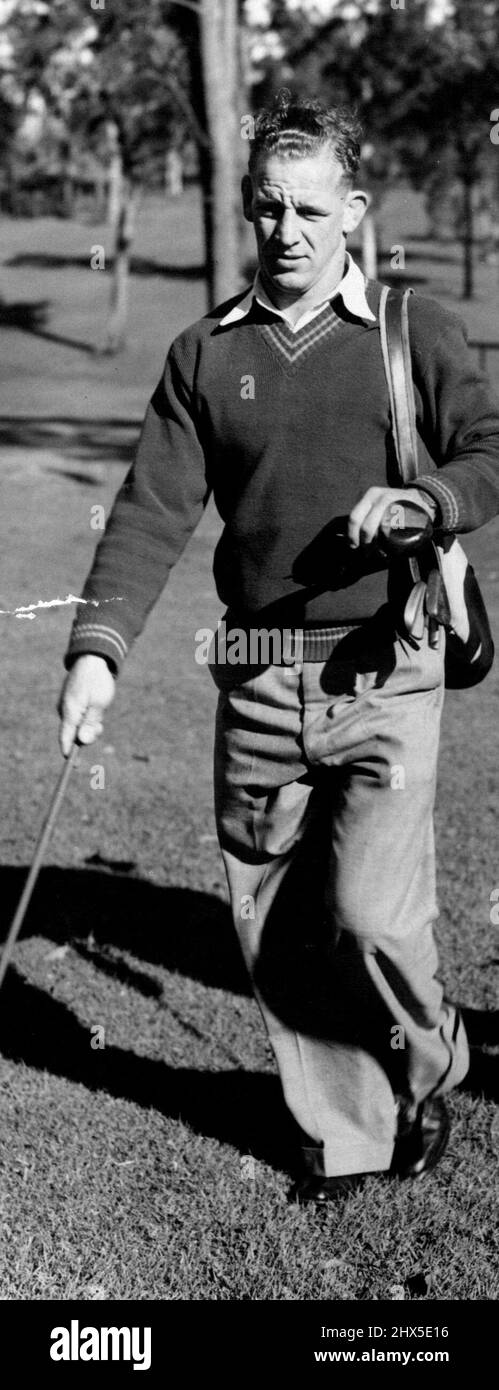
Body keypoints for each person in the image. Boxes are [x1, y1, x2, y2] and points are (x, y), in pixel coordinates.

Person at [58, 92, 499, 1205]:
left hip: (384, 669)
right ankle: (347, 1136)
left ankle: (433, 1047)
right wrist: (97, 653)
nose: (287, 231)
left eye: (310, 208)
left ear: (353, 211)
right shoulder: (205, 353)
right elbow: (152, 511)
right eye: (268, 208)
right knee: (277, 925)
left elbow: (491, 454)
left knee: (367, 911)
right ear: (251, 213)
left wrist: (427, 501)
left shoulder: (413, 332)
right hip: (252, 674)